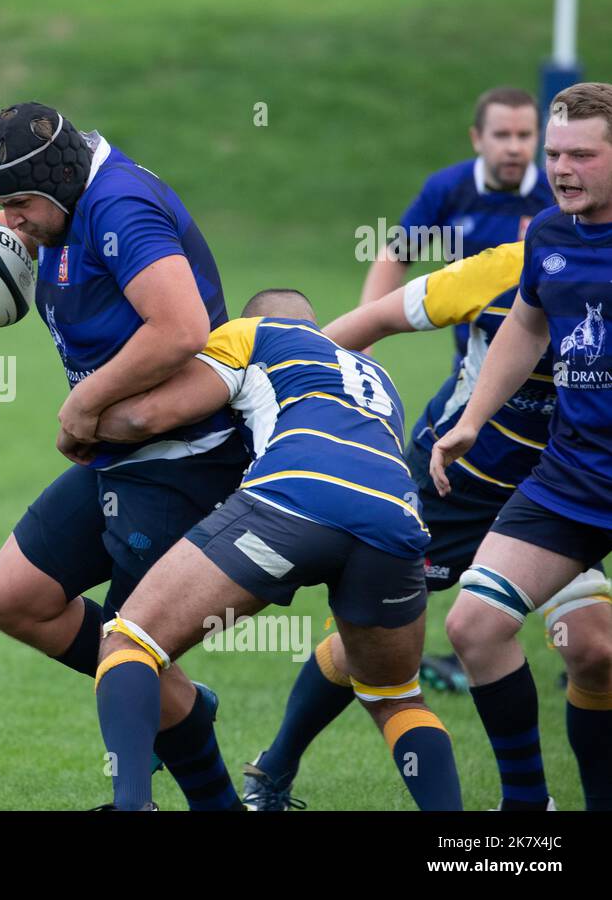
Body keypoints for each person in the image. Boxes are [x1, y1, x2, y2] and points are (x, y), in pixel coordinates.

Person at [0, 102, 248, 807]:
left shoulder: (119, 206)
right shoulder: (64, 194)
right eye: (0, 205)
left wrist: (84, 402)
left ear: (59, 179)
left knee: (130, 654)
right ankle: (188, 719)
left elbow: (182, 327)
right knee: (15, 599)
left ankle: (151, 799)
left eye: (18, 204)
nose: (13, 220)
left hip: (186, 457)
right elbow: (13, 224)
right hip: (118, 452)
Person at [240, 241, 612, 809]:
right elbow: (365, 324)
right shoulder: (496, 272)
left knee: (595, 649)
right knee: (370, 642)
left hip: (557, 493)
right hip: (451, 485)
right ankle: (275, 765)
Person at [89, 290, 461, 811]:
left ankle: (132, 805)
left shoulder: (252, 334)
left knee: (129, 640)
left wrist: (83, 421)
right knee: (397, 698)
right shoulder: (376, 376)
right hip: (397, 524)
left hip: (293, 502)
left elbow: (147, 419)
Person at [433, 82, 612, 811]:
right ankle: (526, 810)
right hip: (573, 476)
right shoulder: (549, 232)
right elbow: (529, 323)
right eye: (553, 153)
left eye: (582, 155)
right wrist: (473, 417)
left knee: (594, 650)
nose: (561, 168)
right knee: (474, 625)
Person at [358, 87, 553, 362]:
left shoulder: (557, 197)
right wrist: (364, 336)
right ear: (477, 138)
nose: (513, 147)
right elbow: (396, 255)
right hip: (469, 363)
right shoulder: (447, 189)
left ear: (539, 138)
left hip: (545, 363)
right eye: (501, 135)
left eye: (524, 135)